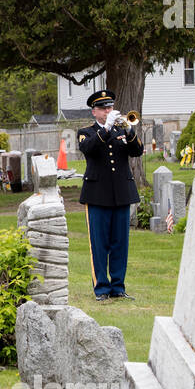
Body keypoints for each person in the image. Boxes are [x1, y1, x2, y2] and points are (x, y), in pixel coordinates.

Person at [77, 88, 144, 300]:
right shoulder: (86, 132)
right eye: (103, 108)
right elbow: (89, 149)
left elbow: (137, 151)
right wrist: (105, 128)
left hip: (122, 193)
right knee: (99, 244)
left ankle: (118, 287)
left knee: (120, 244)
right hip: (97, 194)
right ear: (93, 112)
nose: (108, 111)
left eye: (110, 107)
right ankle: (101, 288)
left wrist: (130, 131)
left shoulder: (121, 130)